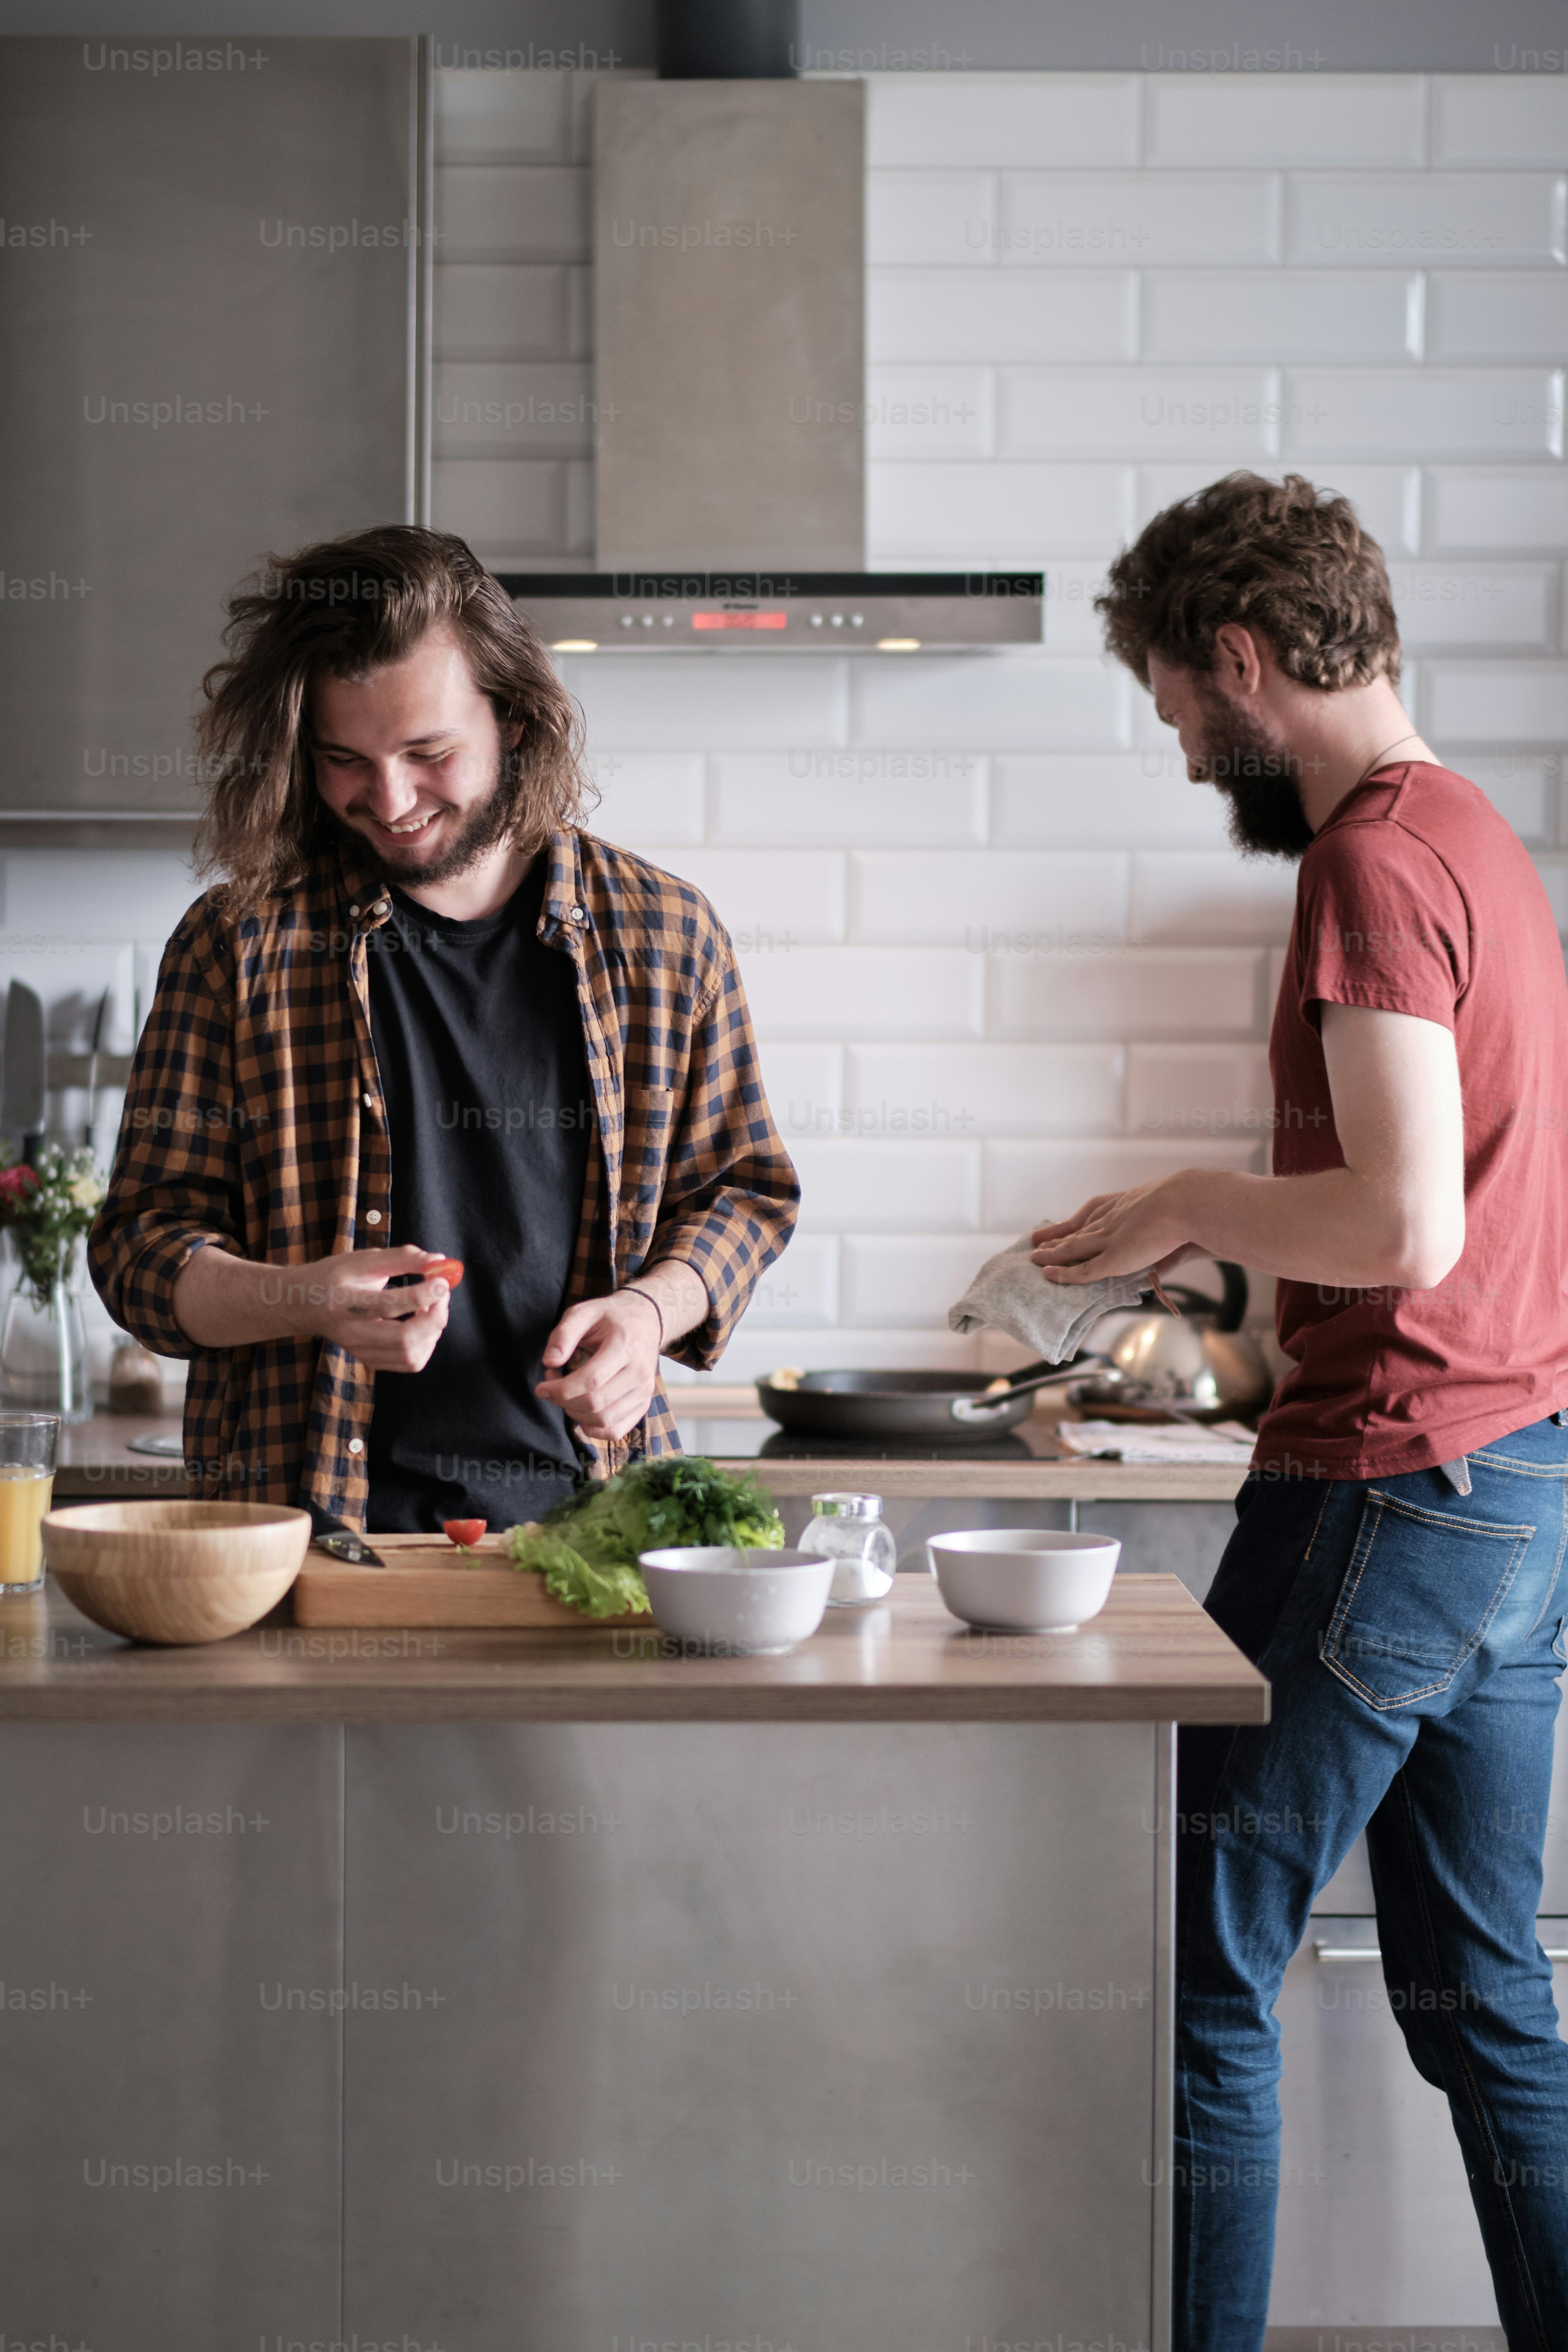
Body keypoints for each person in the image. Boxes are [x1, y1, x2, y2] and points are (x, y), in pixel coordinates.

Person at [1032, 472, 1568, 2349]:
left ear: (1243, 659)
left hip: (1398, 1480)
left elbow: (1400, 1221)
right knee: (1478, 1986)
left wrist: (1183, 1197)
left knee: (1189, 1958)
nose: (1182, 744)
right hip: (1515, 1475)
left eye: (1177, 701)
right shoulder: (1474, 834)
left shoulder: (1366, 861)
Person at [89, 526, 798, 1535]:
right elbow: (138, 1252)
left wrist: (649, 1315)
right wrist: (302, 1298)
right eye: (345, 759)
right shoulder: (237, 945)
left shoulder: (667, 935)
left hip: (596, 1534)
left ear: (512, 717)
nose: (388, 799)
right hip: (300, 1541)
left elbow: (742, 1194)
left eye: (430, 753)